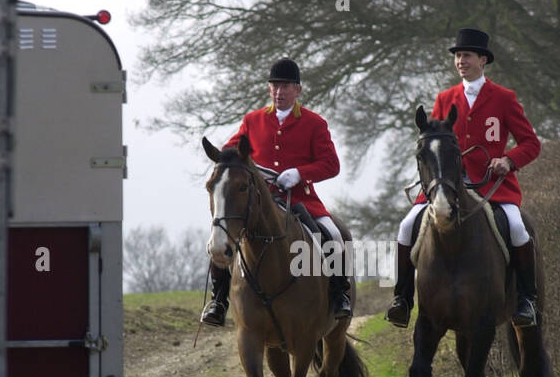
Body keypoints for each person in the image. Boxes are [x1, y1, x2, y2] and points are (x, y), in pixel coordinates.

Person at [385, 27, 542, 328]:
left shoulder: (504, 98)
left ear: (483, 60)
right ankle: (402, 299)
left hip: (491, 186)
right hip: (447, 186)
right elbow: (433, 139)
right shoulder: (445, 98)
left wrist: (508, 160)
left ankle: (527, 300)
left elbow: (531, 143)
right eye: (457, 56)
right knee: (406, 226)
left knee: (519, 228)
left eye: (466, 55)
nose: (460, 61)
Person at [201, 58, 351, 324]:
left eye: (285, 87)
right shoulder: (253, 120)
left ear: (298, 90)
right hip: (258, 201)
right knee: (222, 235)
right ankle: (218, 300)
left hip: (300, 199)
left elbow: (331, 164)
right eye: (275, 86)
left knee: (333, 235)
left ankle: (340, 294)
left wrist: (299, 174)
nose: (279, 92)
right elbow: (230, 151)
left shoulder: (314, 123)